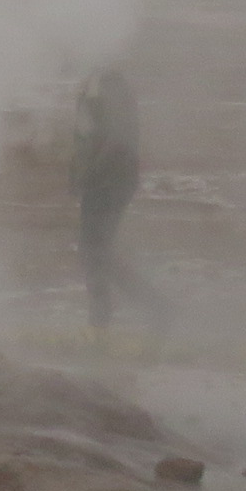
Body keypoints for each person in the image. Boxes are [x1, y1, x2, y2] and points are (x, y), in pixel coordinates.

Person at [73, 66, 145, 331]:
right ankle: (102, 320)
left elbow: (116, 139)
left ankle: (152, 309)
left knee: (95, 252)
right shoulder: (96, 83)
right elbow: (88, 136)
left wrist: (89, 175)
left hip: (109, 183)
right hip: (103, 181)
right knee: (94, 252)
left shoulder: (109, 84)